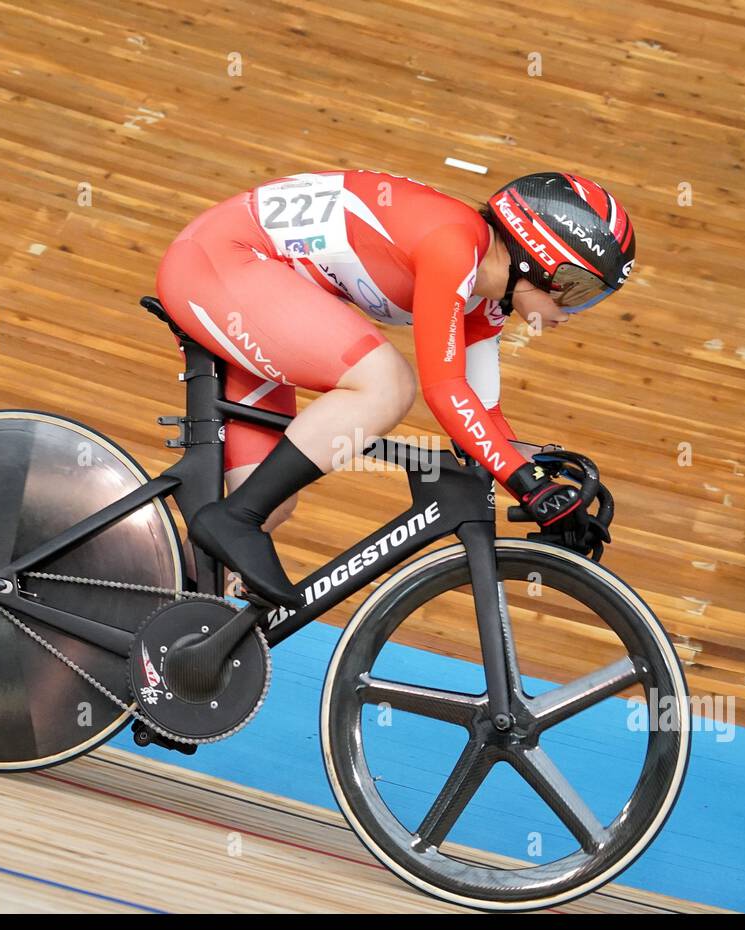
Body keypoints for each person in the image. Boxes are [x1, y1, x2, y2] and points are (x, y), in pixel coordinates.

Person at [155, 170, 635, 608]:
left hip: (252, 284)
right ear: (542, 259)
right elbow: (443, 389)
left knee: (272, 502)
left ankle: (156, 613)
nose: (569, 313)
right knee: (386, 383)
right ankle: (234, 517)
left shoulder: (483, 302)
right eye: (577, 291)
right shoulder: (453, 244)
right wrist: (528, 488)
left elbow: (482, 421)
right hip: (223, 263)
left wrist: (546, 480)